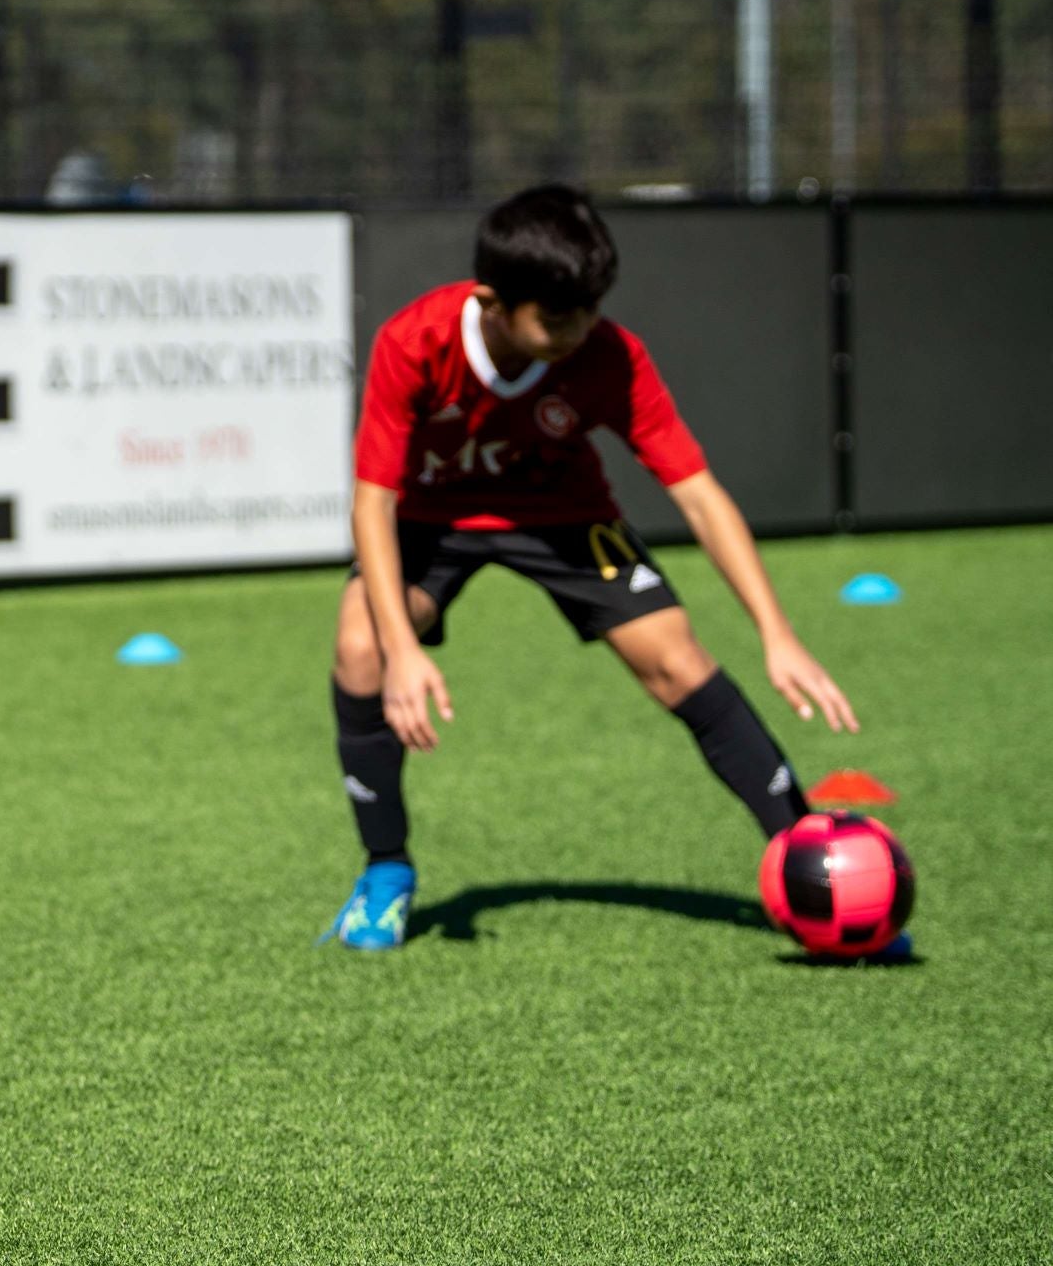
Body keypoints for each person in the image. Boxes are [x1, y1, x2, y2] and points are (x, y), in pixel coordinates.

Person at [326, 184, 863, 950]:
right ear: (489, 301)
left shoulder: (607, 356)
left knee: (676, 660)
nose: (576, 332)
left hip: (563, 514)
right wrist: (402, 652)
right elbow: (371, 504)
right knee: (360, 647)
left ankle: (814, 867)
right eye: (554, 319)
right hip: (428, 520)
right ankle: (385, 870)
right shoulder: (412, 343)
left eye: (588, 312)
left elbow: (699, 497)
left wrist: (775, 632)